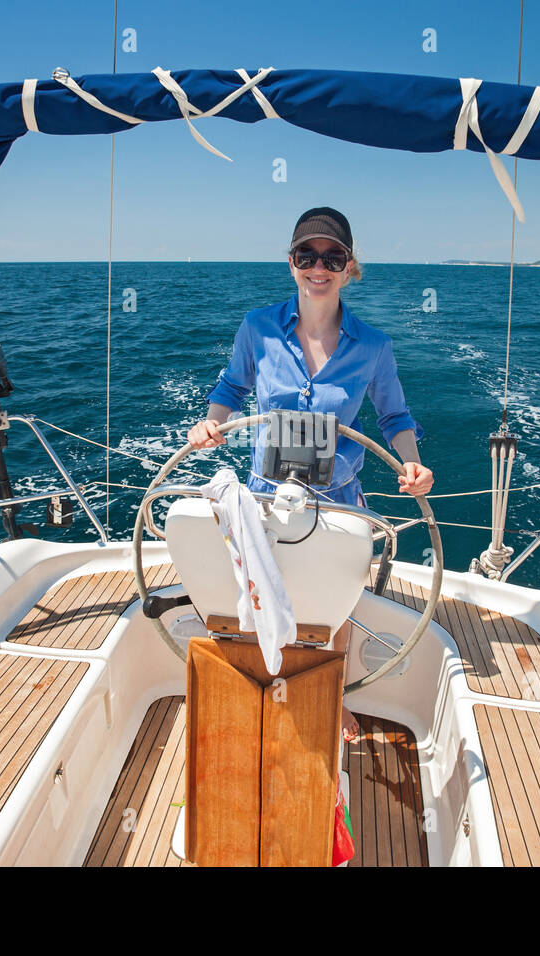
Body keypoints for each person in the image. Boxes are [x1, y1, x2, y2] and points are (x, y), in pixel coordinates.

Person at [188, 206, 434, 743]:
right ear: (291, 263)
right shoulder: (257, 328)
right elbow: (231, 387)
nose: (318, 267)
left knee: (335, 603)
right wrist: (211, 423)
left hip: (338, 496)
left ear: (349, 268)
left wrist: (411, 460)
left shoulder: (373, 346)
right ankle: (262, 680)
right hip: (265, 494)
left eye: (332, 257)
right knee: (260, 591)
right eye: (307, 255)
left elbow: (394, 417)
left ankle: (333, 694)